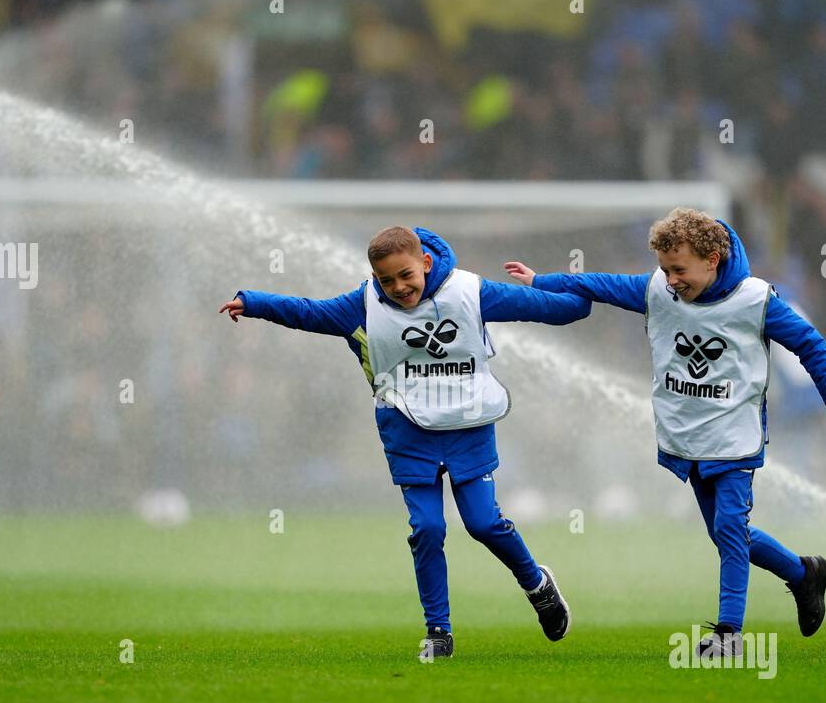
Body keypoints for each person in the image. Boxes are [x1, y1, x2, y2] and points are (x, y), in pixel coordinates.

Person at [505, 208, 826, 657]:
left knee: (731, 530)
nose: (671, 279)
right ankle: (803, 574)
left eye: (679, 269)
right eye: (664, 269)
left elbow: (809, 343)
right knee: (726, 533)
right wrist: (542, 281)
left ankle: (729, 636)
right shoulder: (659, 289)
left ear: (712, 260)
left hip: (735, 437)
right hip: (688, 438)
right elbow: (599, 284)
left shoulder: (756, 301)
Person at [220, 226, 591, 659]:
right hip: (408, 431)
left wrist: (573, 291)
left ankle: (538, 585)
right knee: (428, 529)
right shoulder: (360, 306)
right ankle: (439, 632)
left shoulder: (469, 291)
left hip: (467, 426)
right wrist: (254, 303)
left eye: (405, 275)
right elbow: (308, 312)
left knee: (483, 523)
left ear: (426, 263)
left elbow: (547, 308)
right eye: (386, 281)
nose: (398, 288)